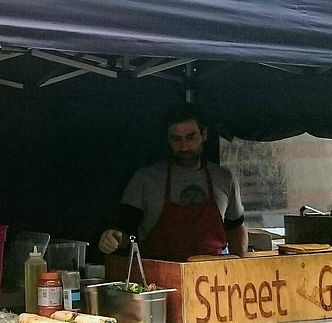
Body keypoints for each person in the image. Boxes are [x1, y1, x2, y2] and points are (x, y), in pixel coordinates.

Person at [98, 102, 248, 261]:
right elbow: (125, 234)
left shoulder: (224, 178)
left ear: (204, 134)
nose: (184, 147)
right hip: (158, 278)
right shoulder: (145, 179)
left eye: (191, 137)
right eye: (176, 139)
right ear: (167, 139)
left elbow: (236, 227)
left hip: (213, 278)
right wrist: (113, 238)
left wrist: (238, 265)